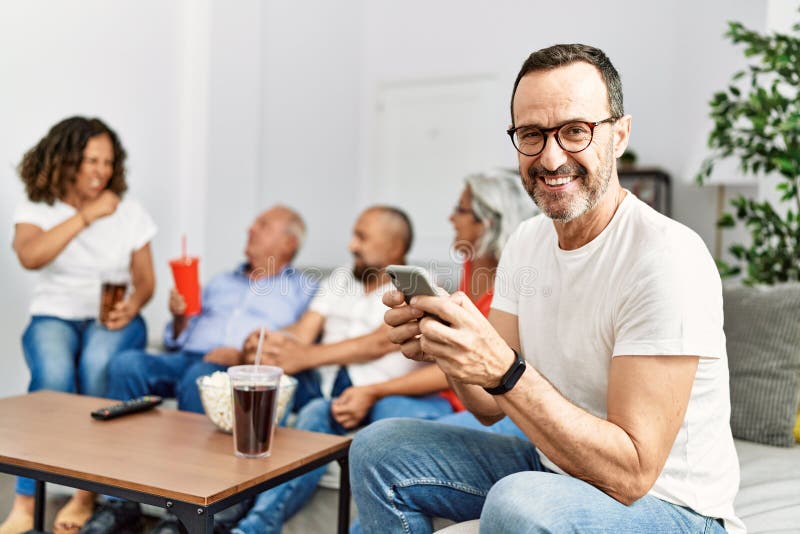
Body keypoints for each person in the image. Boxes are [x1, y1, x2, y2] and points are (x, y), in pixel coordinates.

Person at [352, 43, 744, 534]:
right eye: (532, 135)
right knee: (381, 448)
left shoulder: (666, 259)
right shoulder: (527, 241)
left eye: (575, 131)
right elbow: (488, 406)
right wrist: (449, 347)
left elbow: (633, 473)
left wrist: (505, 369)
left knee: (521, 501)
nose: (551, 157)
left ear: (619, 135)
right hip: (560, 467)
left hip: (675, 508)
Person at [79, 205, 315, 534]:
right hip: (185, 356)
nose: (250, 228)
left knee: (199, 379)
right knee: (126, 364)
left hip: (236, 369)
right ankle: (119, 505)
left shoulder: (303, 289)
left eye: (262, 225)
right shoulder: (221, 281)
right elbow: (178, 338)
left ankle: (185, 516)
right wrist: (179, 317)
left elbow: (300, 337)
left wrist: (243, 354)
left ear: (289, 243)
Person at [227, 206, 454, 534]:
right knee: (278, 385)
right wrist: (269, 342)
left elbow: (379, 343)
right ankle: (235, 512)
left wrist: (303, 357)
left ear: (395, 247)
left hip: (376, 394)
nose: (351, 245)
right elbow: (303, 331)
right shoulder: (340, 279)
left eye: (362, 238)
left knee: (315, 407)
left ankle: (251, 528)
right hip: (324, 385)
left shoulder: (418, 285)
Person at [2, 117, 157, 534]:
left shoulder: (129, 212)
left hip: (113, 318)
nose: (101, 171)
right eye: (91, 160)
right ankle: (25, 501)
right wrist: (86, 216)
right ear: (65, 160)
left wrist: (133, 305)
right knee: (51, 377)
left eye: (108, 162)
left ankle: (84, 494)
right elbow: (31, 256)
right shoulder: (38, 206)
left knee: (97, 366)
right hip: (55, 314)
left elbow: (146, 282)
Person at [436, 169, 535, 436]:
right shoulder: (471, 265)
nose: (451, 218)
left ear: (488, 221)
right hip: (456, 396)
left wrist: (376, 388)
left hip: (496, 407)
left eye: (461, 209)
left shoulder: (519, 284)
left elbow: (489, 368)